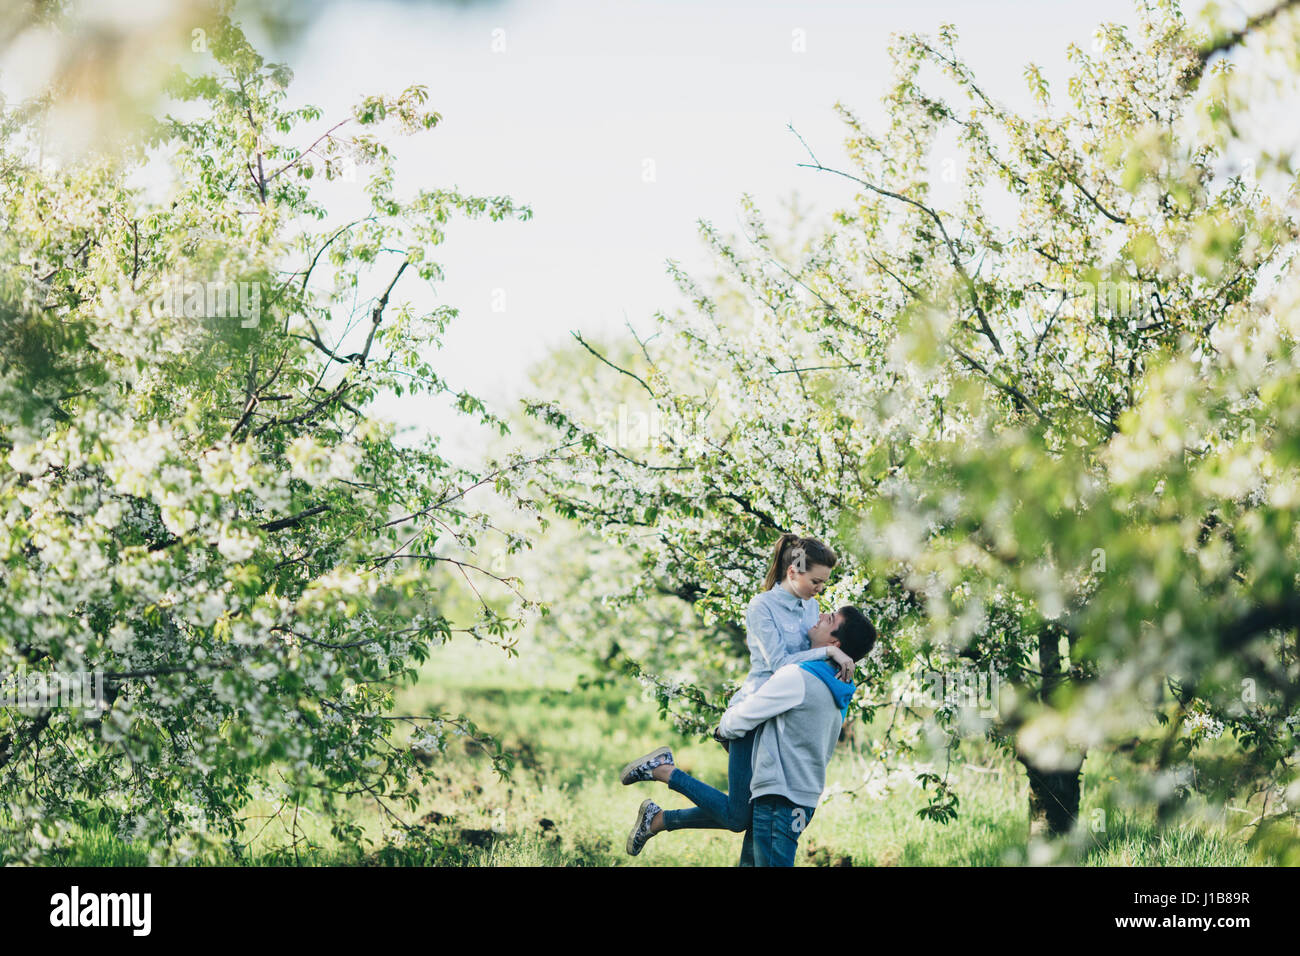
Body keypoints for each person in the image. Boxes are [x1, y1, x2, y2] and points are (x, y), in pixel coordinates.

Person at [618, 534, 852, 864]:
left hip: (781, 719)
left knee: (749, 817)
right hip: (753, 713)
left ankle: (657, 818)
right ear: (794, 572)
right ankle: (663, 772)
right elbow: (777, 666)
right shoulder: (762, 607)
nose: (820, 590)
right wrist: (828, 650)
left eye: (824, 583)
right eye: (816, 581)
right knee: (738, 817)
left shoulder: (810, 606)